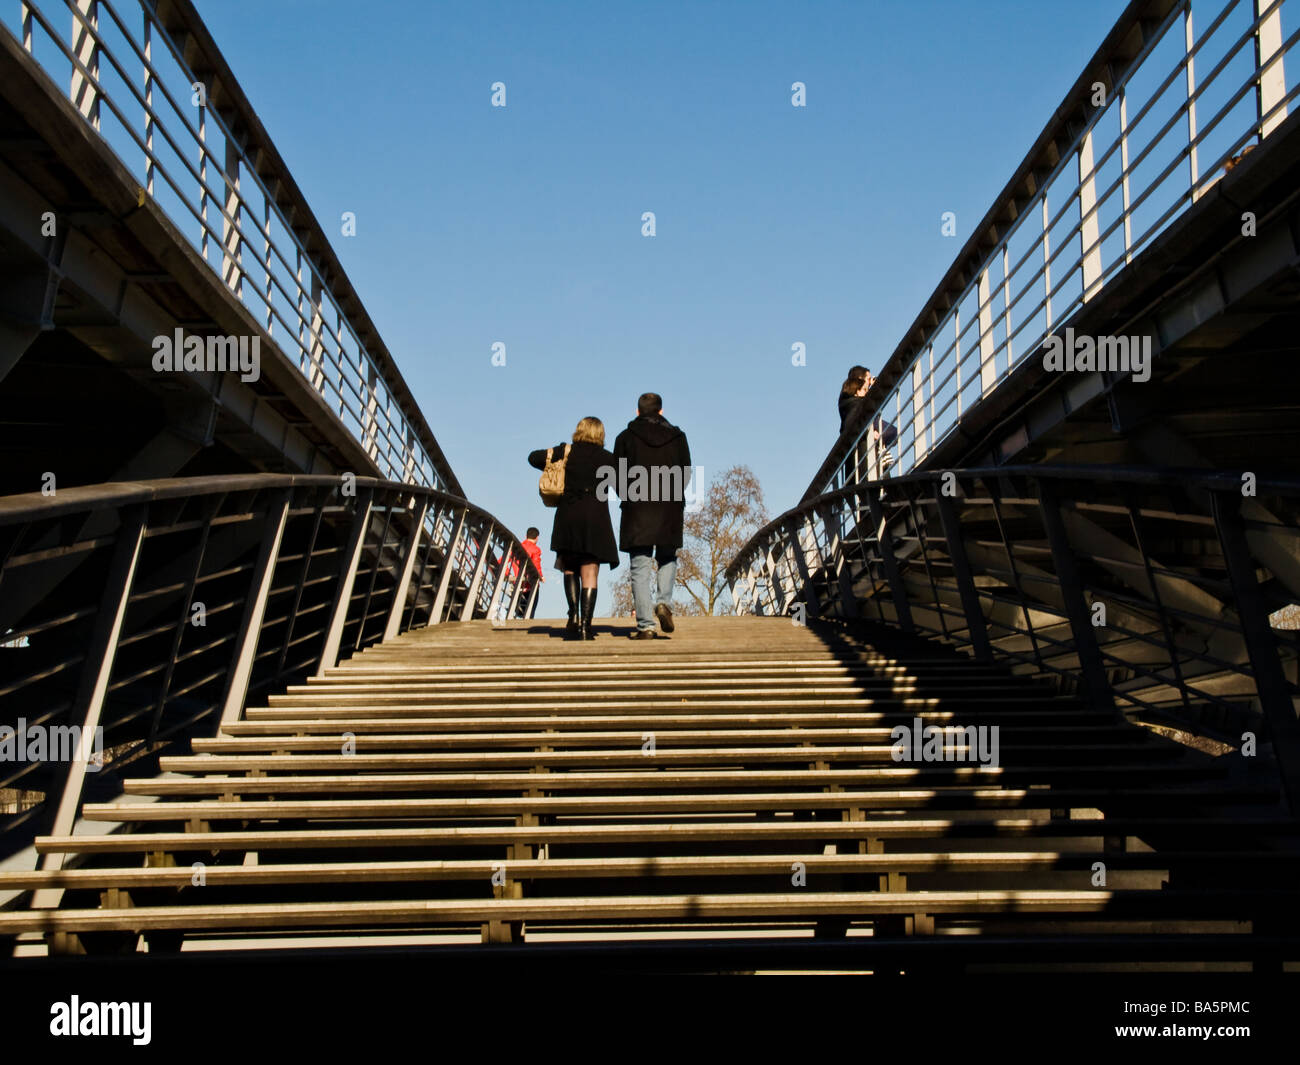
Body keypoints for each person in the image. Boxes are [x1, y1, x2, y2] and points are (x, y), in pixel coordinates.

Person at [527, 418, 619, 639]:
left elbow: (533, 457)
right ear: (600, 434)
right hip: (596, 517)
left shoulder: (565, 452)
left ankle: (573, 615)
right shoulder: (607, 459)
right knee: (590, 571)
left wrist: (555, 456)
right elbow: (624, 487)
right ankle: (586, 626)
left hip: (568, 515)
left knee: (569, 567)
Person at [612, 393, 692, 640]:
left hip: (638, 508)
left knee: (640, 566)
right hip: (669, 507)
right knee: (667, 557)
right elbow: (685, 472)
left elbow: (616, 475)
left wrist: (630, 494)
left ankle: (646, 625)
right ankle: (663, 602)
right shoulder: (678, 437)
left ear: (637, 412)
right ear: (661, 411)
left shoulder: (625, 438)